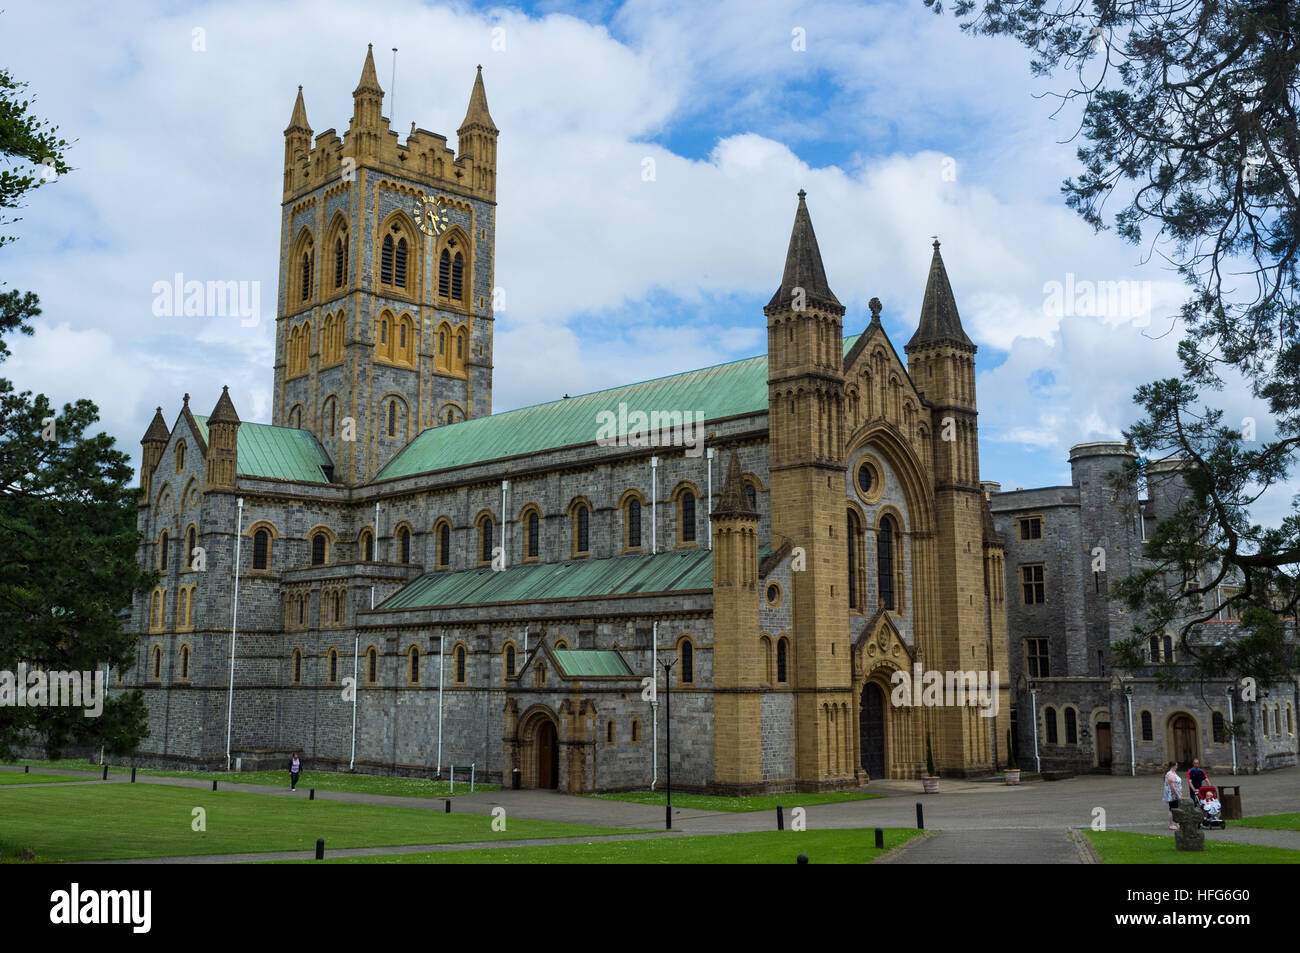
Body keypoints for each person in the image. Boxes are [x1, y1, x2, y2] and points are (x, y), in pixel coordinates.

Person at [1163, 761, 1182, 830]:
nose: (1177, 767)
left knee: (1174, 809)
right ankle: (1172, 824)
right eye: (1176, 765)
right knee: (1173, 809)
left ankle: (1177, 824)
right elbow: (1172, 786)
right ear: (1173, 766)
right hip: (1173, 795)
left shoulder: (1173, 773)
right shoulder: (1170, 774)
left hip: (1175, 794)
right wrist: (1178, 795)